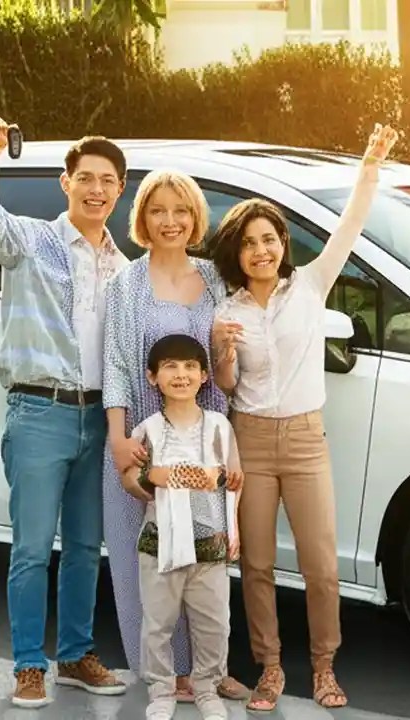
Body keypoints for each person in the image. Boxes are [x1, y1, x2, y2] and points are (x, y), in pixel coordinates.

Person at [208, 123, 400, 712]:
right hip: (251, 441)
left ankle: (323, 668)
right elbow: (226, 386)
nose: (261, 251)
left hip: (305, 439)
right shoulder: (227, 307)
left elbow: (350, 228)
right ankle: (270, 669)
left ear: (282, 245)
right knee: (258, 565)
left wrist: (368, 166)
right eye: (249, 244)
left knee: (321, 565)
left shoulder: (312, 286)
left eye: (269, 240)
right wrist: (223, 351)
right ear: (236, 254)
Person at [0, 117, 129, 708]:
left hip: (97, 418)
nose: (96, 189)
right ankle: (28, 664)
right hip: (38, 413)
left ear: (119, 190)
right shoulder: (32, 240)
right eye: (86, 178)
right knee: (32, 548)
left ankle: (77, 655)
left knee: (86, 547)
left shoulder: (122, 268)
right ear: (66, 183)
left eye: (108, 181)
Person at [101, 169, 250, 702]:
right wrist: (120, 442)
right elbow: (118, 363)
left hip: (201, 439)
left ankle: (210, 671)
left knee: (205, 560)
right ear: (142, 218)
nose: (170, 221)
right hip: (143, 440)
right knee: (146, 560)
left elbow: (226, 372)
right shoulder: (124, 283)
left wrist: (223, 350)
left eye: (181, 210)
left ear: (195, 217)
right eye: (158, 211)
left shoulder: (215, 280)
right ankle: (166, 672)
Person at [122, 333, 244, 720]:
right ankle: (161, 690)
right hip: (161, 543)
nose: (181, 374)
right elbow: (133, 478)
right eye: (170, 366)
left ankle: (207, 687)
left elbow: (235, 480)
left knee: (215, 623)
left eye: (191, 366)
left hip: (211, 543)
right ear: (152, 376)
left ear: (205, 376)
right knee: (158, 622)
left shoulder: (219, 427)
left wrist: (233, 529)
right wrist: (154, 475)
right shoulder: (146, 430)